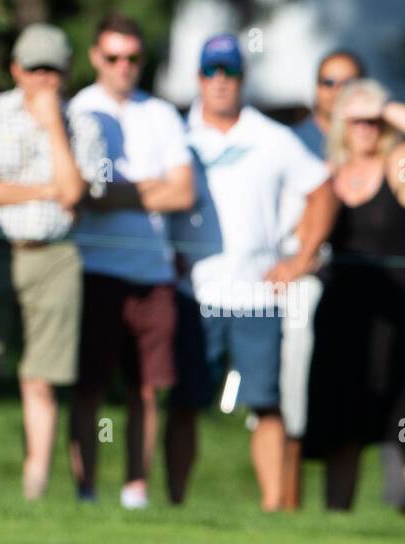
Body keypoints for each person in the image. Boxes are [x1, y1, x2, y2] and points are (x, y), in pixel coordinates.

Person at [165, 35, 334, 511]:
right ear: (199, 77)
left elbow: (322, 189)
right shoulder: (179, 135)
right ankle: (175, 507)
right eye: (212, 71)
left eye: (230, 71)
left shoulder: (271, 138)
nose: (221, 81)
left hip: (259, 295)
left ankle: (273, 508)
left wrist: (300, 261)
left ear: (242, 77)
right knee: (185, 404)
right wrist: (165, 252)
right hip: (193, 293)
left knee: (266, 405)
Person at [0, 23, 106, 500]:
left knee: (42, 379)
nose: (43, 79)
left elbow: (77, 192)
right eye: (34, 68)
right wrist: (44, 189)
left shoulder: (83, 123)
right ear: (17, 69)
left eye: (52, 70)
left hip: (54, 256)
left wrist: (55, 126)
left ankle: (34, 486)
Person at [303, 80, 405, 521]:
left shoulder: (399, 168)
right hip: (343, 315)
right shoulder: (327, 175)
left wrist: (385, 105)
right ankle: (336, 531)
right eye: (357, 120)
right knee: (343, 427)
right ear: (341, 125)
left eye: (373, 121)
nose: (366, 128)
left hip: (398, 320)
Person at [68, 12, 194, 508]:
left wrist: (120, 191)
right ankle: (86, 491)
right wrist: (149, 187)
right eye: (114, 56)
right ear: (97, 57)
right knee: (90, 387)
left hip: (154, 273)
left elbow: (182, 192)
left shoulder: (160, 113)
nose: (124, 66)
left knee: (147, 388)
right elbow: (88, 195)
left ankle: (136, 488)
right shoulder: (81, 109)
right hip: (94, 268)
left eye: (132, 57)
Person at [279, 49, 365, 509]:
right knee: (294, 400)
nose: (337, 93)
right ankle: (288, 512)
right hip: (305, 287)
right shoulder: (291, 141)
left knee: (347, 409)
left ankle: (339, 516)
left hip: (357, 293)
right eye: (328, 82)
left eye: (349, 84)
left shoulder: (375, 142)